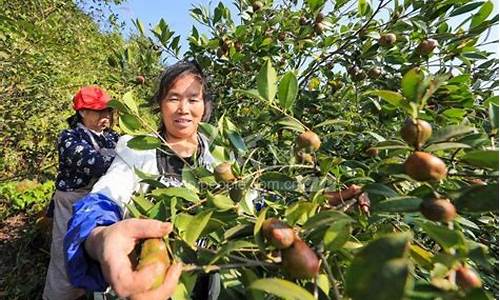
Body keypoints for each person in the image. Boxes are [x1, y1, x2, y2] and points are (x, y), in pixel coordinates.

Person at [63, 61, 218, 299]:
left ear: (204, 105)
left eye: (193, 99)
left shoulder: (219, 155)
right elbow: (106, 195)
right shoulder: (136, 149)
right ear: (160, 104)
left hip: (202, 280)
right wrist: (101, 238)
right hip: (141, 278)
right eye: (173, 98)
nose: (183, 108)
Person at [43, 86, 119, 300]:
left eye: (108, 111)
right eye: (99, 111)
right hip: (73, 199)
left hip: (98, 199)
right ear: (83, 112)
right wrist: (124, 159)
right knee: (65, 253)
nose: (105, 116)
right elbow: (91, 163)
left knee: (96, 253)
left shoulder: (112, 137)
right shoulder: (69, 137)